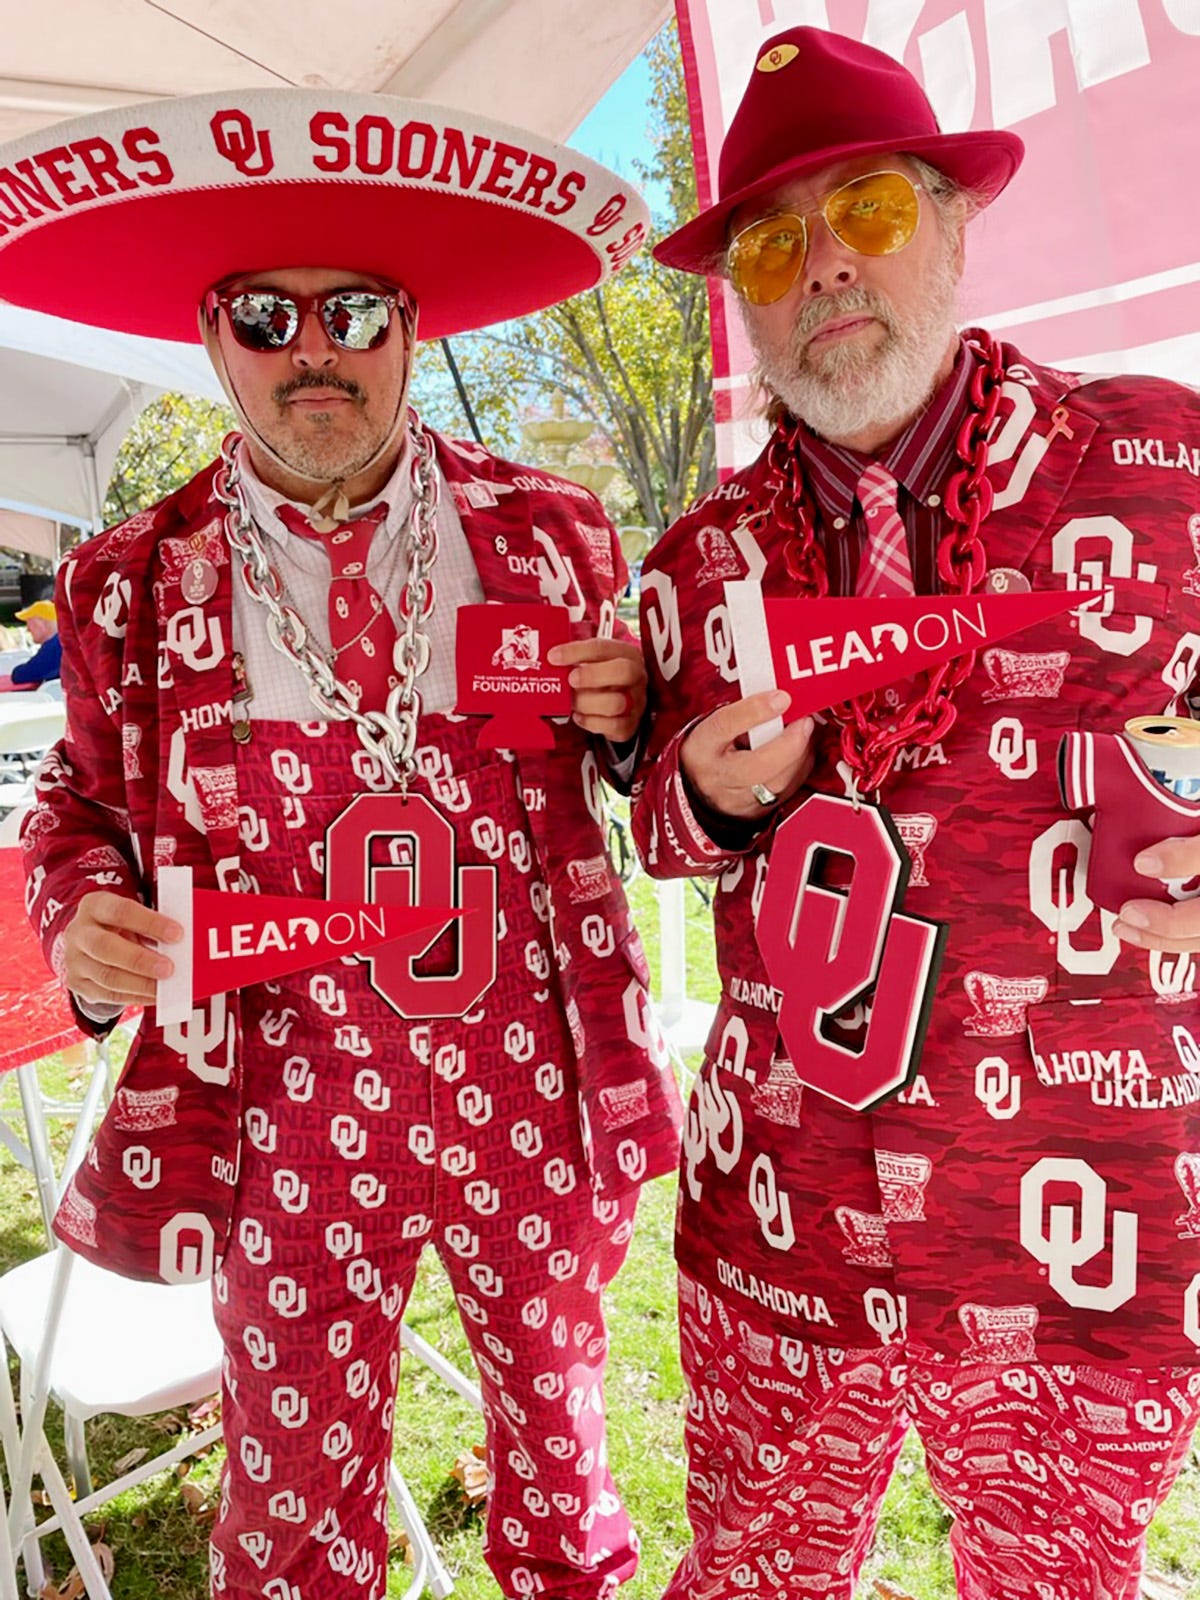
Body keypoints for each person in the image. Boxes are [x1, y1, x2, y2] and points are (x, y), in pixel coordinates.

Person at [6, 88, 681, 1600]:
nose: (314, 347)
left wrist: (631, 717)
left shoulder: (552, 529)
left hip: (535, 1087)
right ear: (210, 337)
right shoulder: (133, 574)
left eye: (355, 310)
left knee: (567, 1493)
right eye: (267, 315)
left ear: (411, 327)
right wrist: (86, 913)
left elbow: (657, 769)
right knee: (293, 1530)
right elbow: (78, 805)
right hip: (286, 1111)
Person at [634, 25, 1200, 1600]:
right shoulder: (697, 558)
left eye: (869, 213)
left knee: (1056, 1584)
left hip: (1076, 1203)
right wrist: (706, 796)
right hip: (782, 1209)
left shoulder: (1163, 466)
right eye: (769, 240)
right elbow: (659, 844)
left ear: (955, 222)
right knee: (754, 1570)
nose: (823, 267)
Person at [0, 598, 61, 689]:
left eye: (29, 623)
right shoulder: (61, 642)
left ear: (41, 623)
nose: (28, 630)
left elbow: (23, 675)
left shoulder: (55, 646)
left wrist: (17, 671)